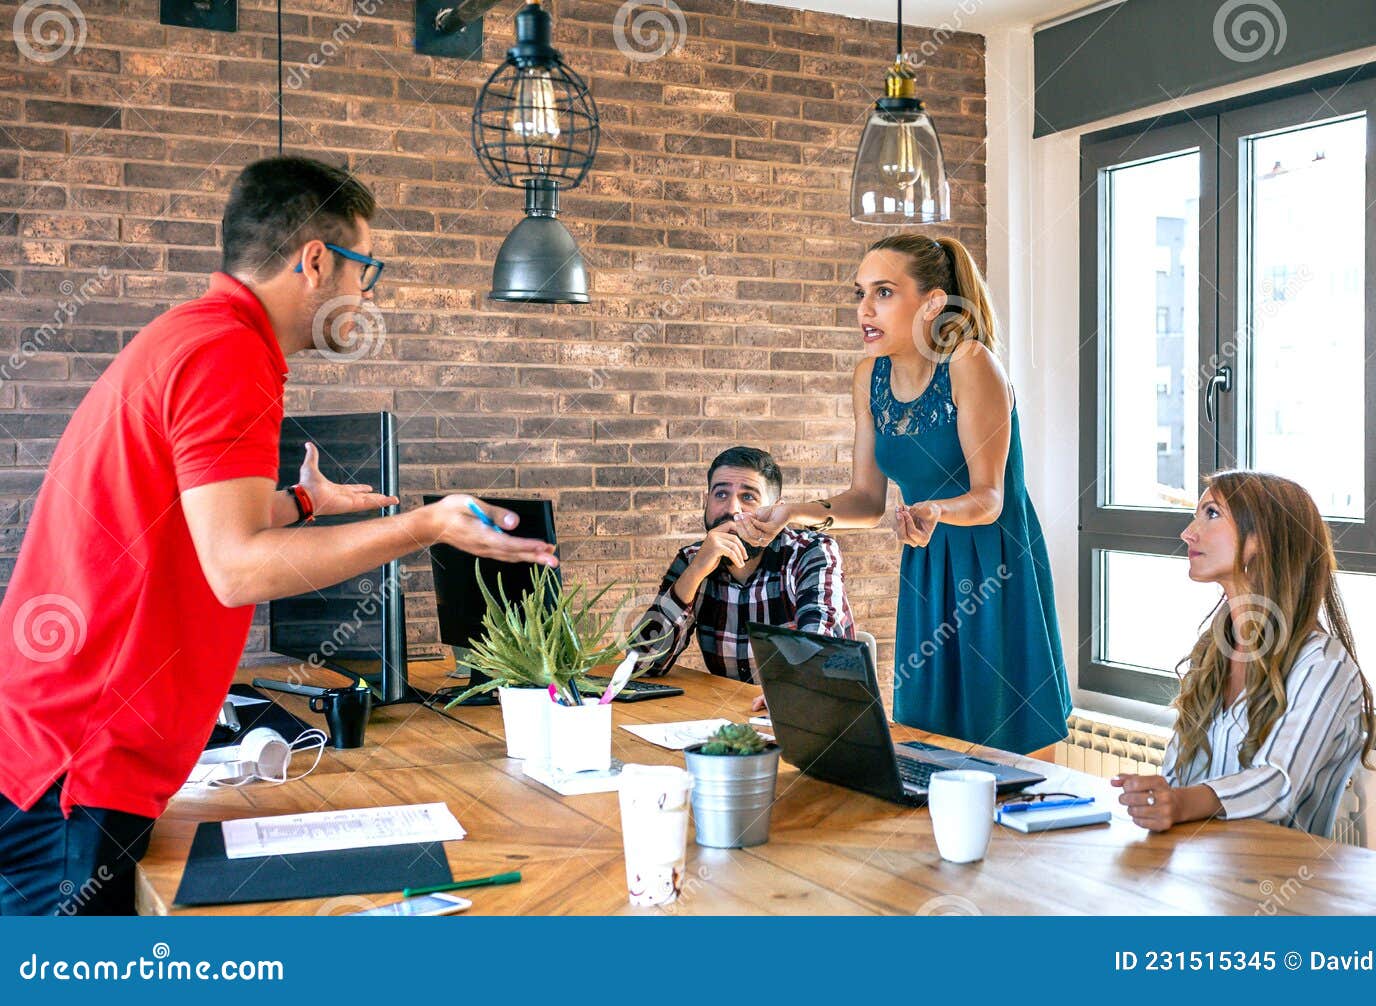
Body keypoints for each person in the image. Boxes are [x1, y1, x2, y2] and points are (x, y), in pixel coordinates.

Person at [0, 156, 557, 916]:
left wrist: (299, 502)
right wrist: (425, 525)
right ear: (318, 260)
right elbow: (236, 570)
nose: (366, 293)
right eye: (367, 269)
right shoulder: (230, 355)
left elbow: (188, 518)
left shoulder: (193, 335)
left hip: (55, 742)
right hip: (78, 762)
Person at [741, 235, 1070, 755]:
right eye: (860, 293)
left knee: (1009, 756)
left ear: (933, 302)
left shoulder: (970, 362)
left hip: (993, 564)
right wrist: (790, 512)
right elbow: (866, 501)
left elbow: (989, 498)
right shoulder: (869, 377)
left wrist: (935, 509)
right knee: (926, 744)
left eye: (885, 292)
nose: (865, 309)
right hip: (927, 564)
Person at [1110, 471, 1376, 837]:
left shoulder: (1323, 665)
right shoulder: (1212, 651)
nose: (1188, 533)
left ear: (1262, 540)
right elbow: (1178, 777)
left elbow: (1278, 784)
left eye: (1212, 514)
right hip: (1202, 874)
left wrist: (1183, 803)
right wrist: (1157, 800)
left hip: (1279, 882)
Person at [634, 446, 854, 703]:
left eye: (748, 497)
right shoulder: (692, 559)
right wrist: (695, 572)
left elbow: (820, 644)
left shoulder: (811, 552)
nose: (732, 509)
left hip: (814, 711)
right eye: (721, 494)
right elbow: (641, 665)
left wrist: (786, 691)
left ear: (777, 511)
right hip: (731, 720)